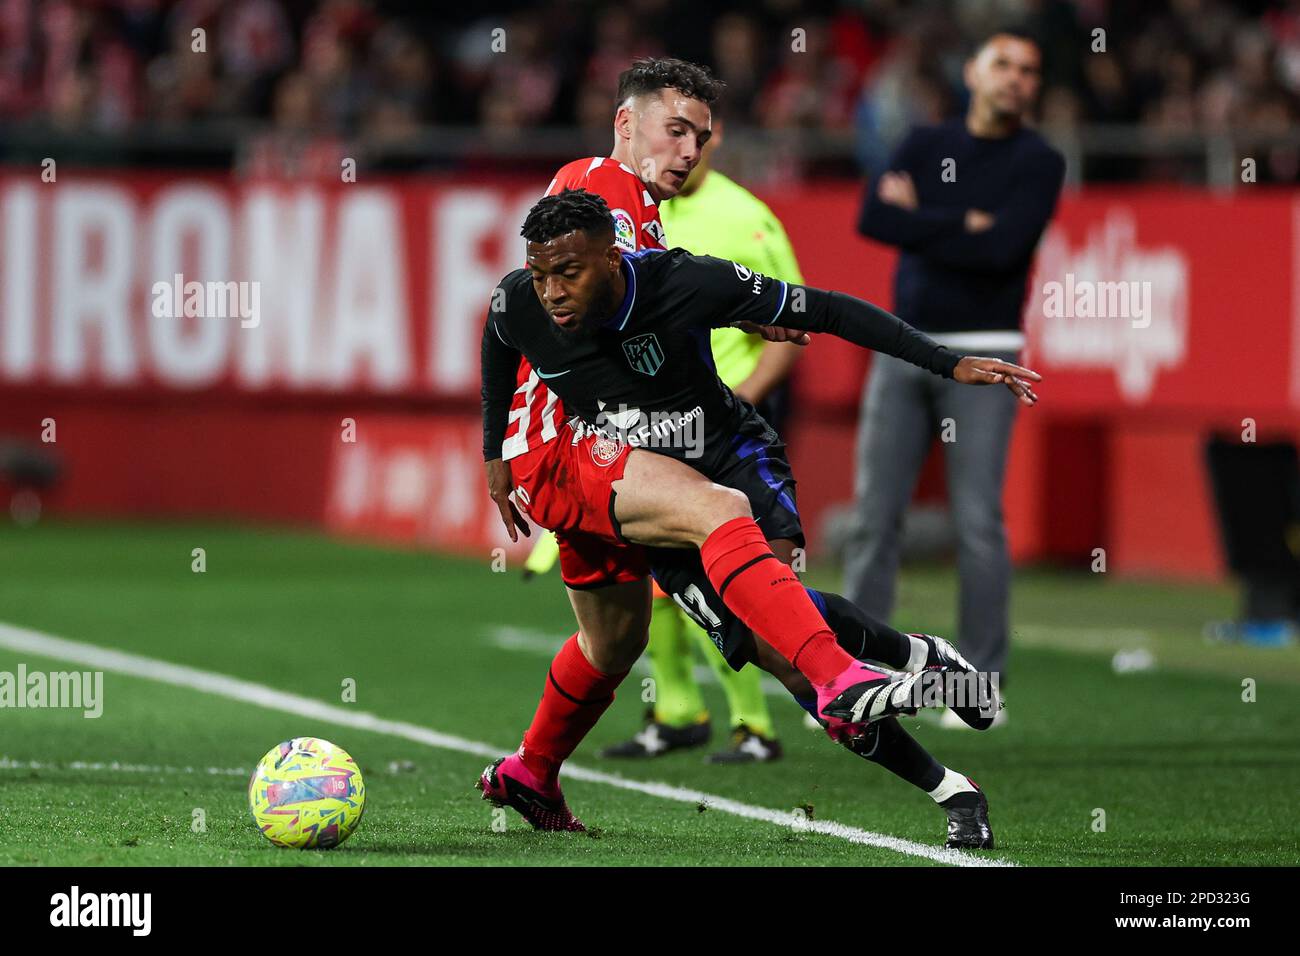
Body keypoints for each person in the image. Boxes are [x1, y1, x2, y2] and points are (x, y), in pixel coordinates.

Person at [479, 188, 1041, 846]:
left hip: (732, 461)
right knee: (775, 647)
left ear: (613, 257)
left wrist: (947, 362)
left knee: (789, 644)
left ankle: (892, 714)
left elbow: (824, 310)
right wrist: (494, 450)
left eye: (568, 273)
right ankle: (937, 722)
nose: (551, 292)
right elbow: (498, 338)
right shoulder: (519, 300)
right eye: (541, 274)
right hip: (658, 489)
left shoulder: (684, 281)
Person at [846, 28, 1065, 726]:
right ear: (971, 71)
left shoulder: (1040, 160)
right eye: (1003, 64)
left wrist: (923, 220)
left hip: (988, 351)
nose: (1015, 78)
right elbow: (874, 219)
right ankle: (856, 678)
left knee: (977, 521)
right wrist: (959, 222)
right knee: (874, 515)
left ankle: (978, 686)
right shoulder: (922, 141)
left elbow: (1002, 249)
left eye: (1028, 70)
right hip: (905, 344)